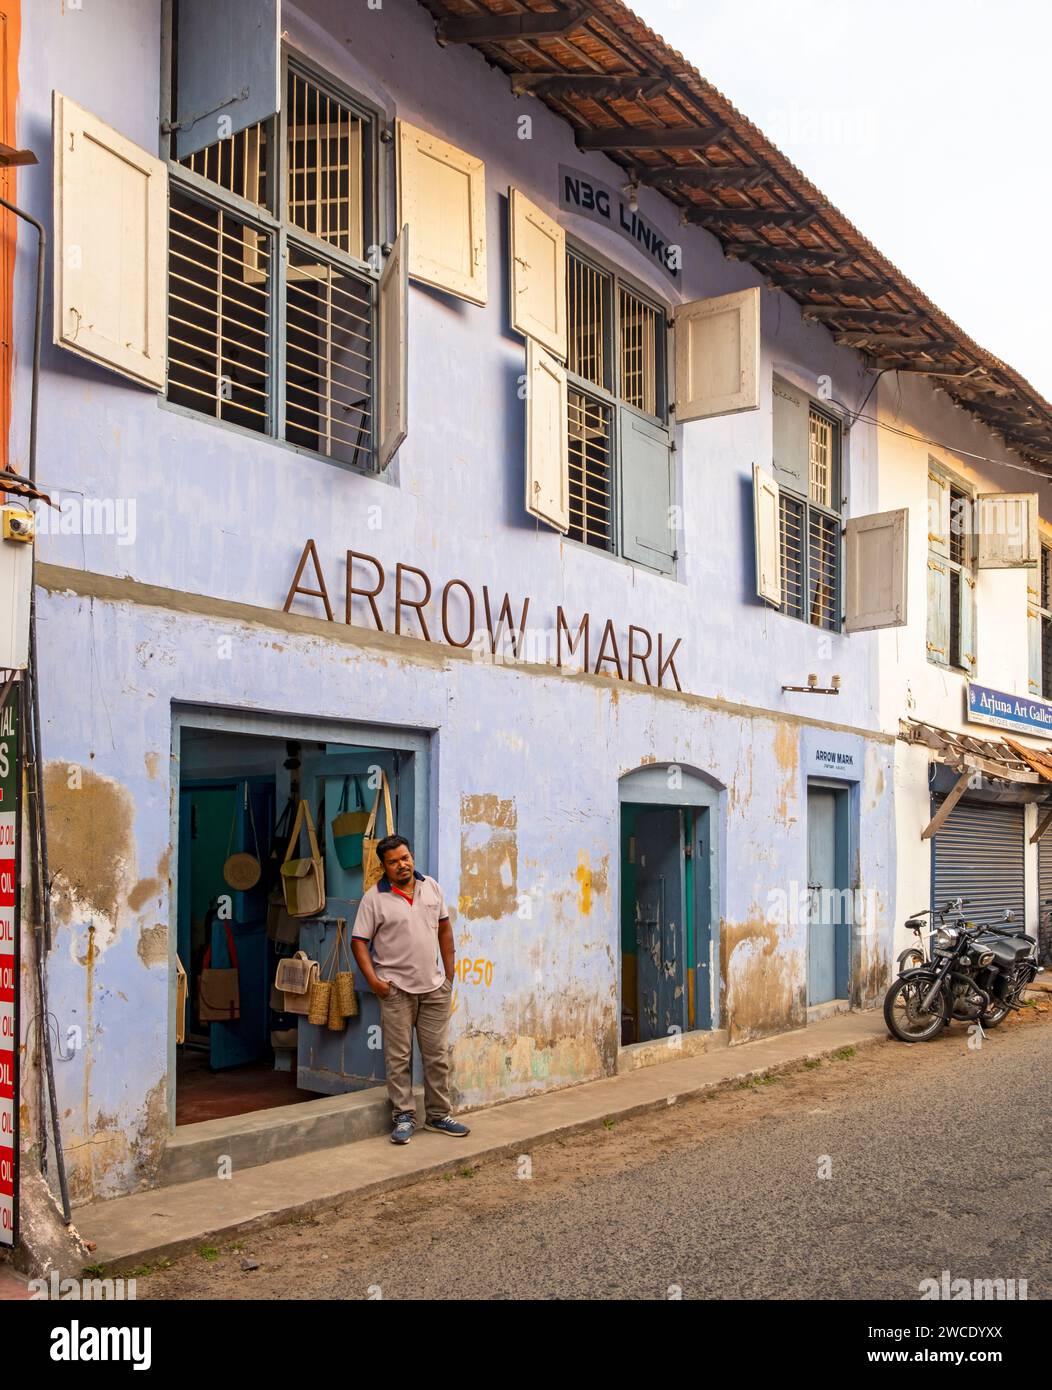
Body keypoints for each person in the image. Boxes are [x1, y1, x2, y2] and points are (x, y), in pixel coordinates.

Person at [350, 835, 471, 1144]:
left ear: (411, 857)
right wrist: (375, 981)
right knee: (398, 1057)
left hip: (434, 989)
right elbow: (359, 942)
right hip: (396, 991)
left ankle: (438, 1116)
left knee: (436, 1056)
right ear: (384, 866)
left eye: (405, 857)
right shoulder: (373, 898)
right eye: (393, 861)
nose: (401, 864)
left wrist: (449, 974)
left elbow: (445, 928)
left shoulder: (431, 887)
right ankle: (404, 1116)